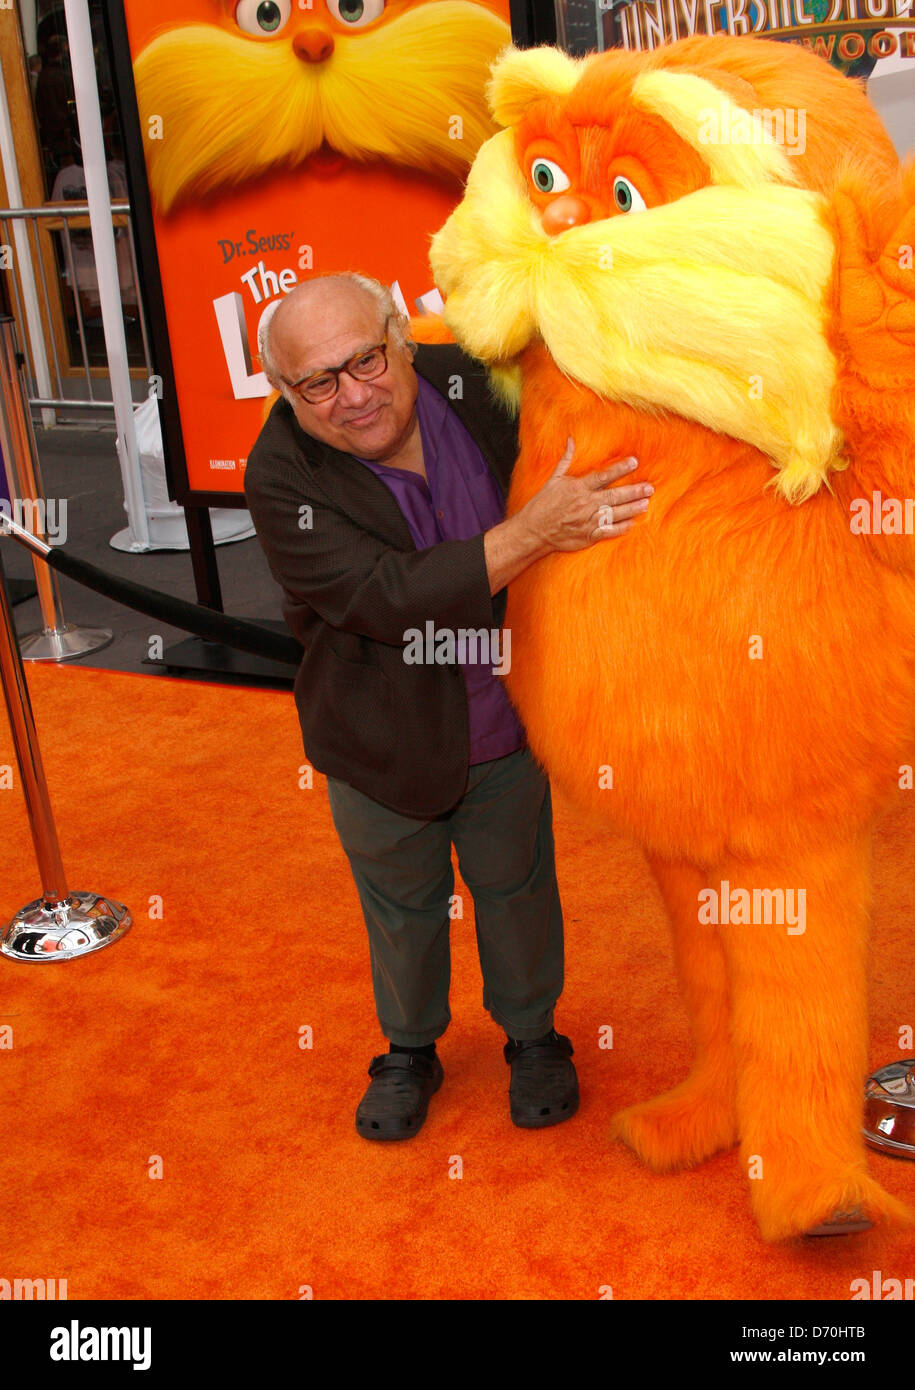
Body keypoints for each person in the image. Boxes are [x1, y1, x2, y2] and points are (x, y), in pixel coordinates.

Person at [244, 273, 653, 1142]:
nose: (354, 395)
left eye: (365, 359)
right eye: (319, 381)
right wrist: (536, 531)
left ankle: (534, 1037)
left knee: (516, 889)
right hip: (377, 732)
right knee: (401, 906)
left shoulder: (469, 380)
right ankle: (408, 1048)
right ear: (284, 390)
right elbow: (384, 597)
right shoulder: (279, 474)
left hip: (503, 708)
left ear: (399, 332)